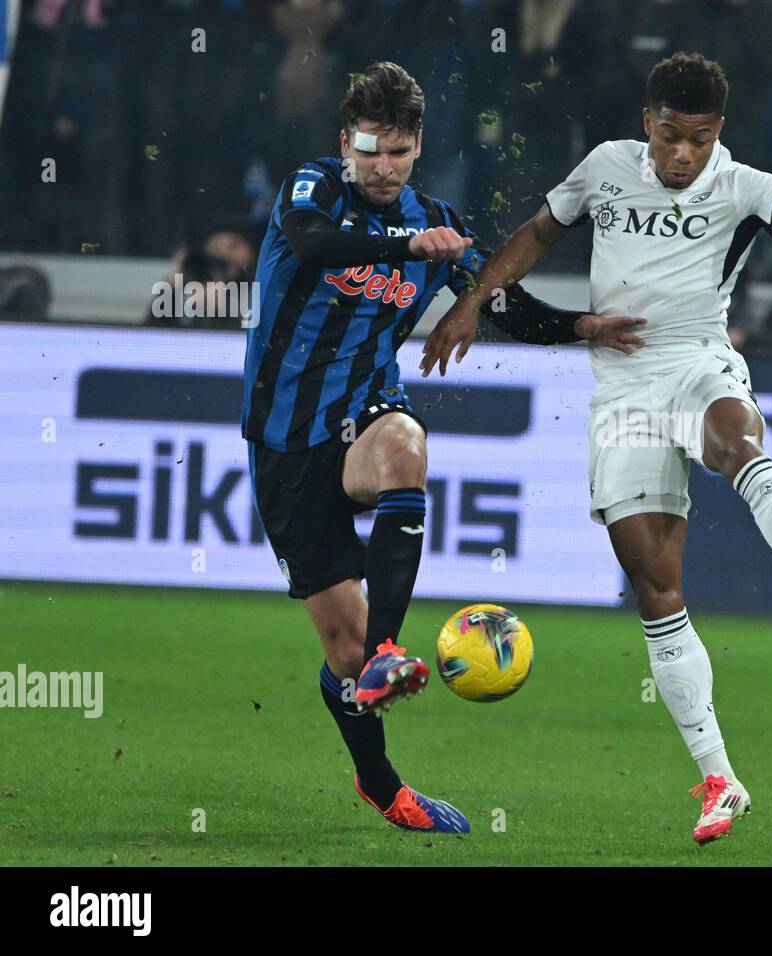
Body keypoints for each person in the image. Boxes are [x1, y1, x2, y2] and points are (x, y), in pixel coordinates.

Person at [422, 49, 772, 845]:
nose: (682, 155)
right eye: (669, 136)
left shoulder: (742, 186)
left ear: (717, 132)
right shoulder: (605, 169)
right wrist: (476, 301)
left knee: (739, 444)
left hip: (697, 358)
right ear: (646, 125)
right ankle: (720, 781)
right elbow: (535, 234)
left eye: (698, 139)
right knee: (656, 588)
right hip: (621, 388)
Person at [241, 61, 643, 835]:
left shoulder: (435, 217)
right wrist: (408, 247)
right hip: (286, 442)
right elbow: (312, 243)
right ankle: (381, 780)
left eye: (397, 152)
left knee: (405, 453)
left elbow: (500, 298)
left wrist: (580, 326)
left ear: (418, 146)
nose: (382, 168)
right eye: (369, 150)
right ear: (344, 143)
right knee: (343, 656)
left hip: (364, 417)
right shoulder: (313, 189)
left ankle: (392, 647)